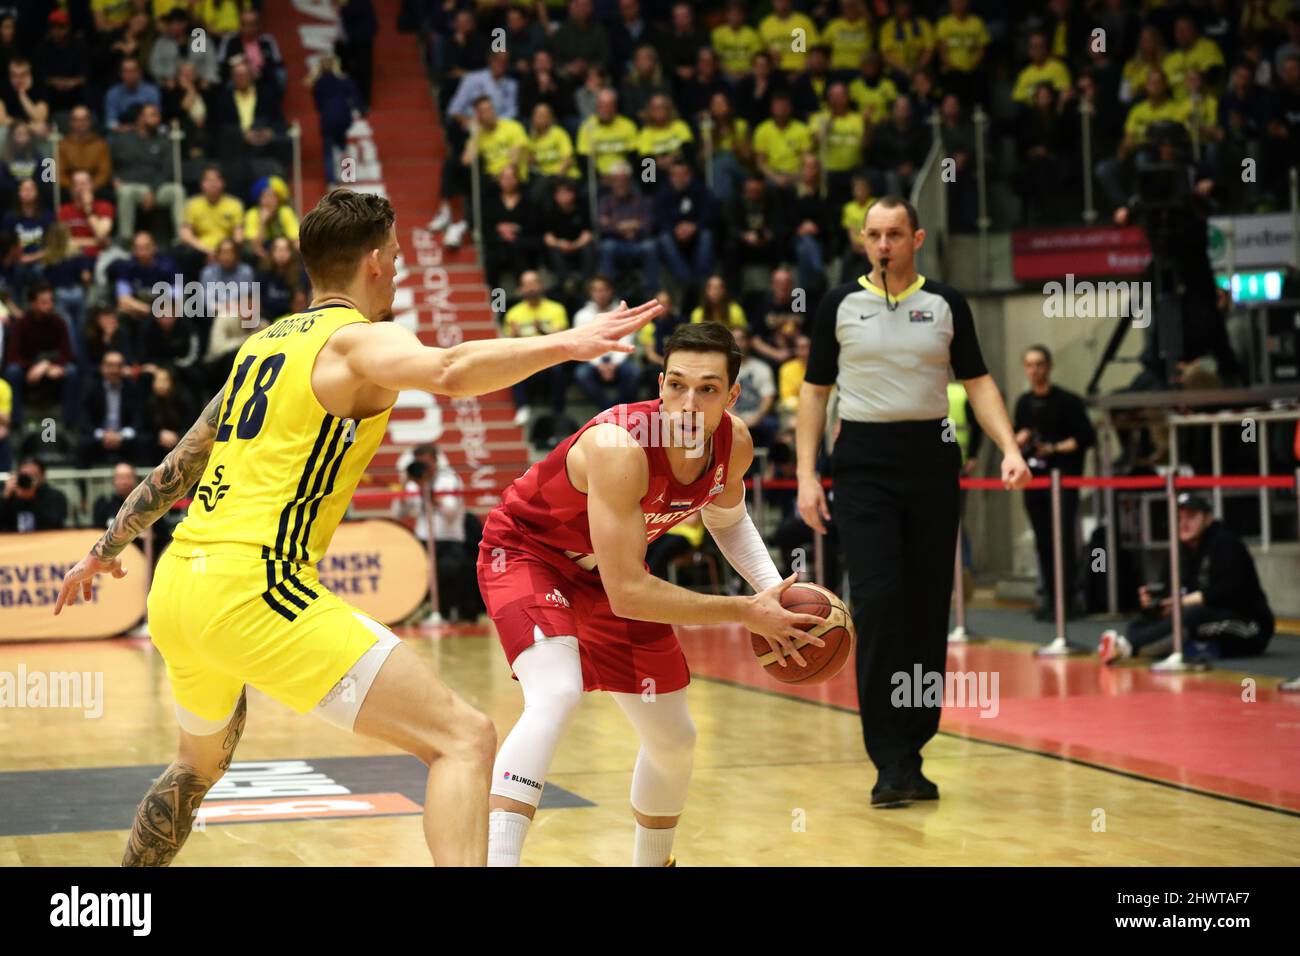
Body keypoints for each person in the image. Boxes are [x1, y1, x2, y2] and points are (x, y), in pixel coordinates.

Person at [52, 187, 660, 868]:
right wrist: (567, 342)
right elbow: (452, 370)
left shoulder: (263, 345)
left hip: (177, 589)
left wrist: (103, 549)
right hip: (255, 588)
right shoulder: (360, 339)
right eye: (396, 257)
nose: (399, 271)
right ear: (373, 262)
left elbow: (181, 463)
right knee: (464, 738)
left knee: (194, 770)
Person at [478, 321, 825, 867]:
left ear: (732, 396)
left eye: (708, 389)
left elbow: (728, 521)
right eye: (677, 385)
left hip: (612, 575)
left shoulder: (734, 442)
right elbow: (630, 595)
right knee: (557, 692)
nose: (688, 402)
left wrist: (772, 593)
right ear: (660, 383)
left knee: (674, 738)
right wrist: (744, 611)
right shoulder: (619, 447)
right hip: (530, 557)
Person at [797, 196, 1030, 808]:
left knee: (928, 610)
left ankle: (915, 749)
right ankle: (886, 758)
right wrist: (804, 475)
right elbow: (814, 393)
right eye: (873, 234)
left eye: (894, 234)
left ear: (916, 239)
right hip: (863, 467)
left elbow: (978, 381)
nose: (883, 245)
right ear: (862, 240)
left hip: (932, 460)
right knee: (878, 601)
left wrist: (1007, 446)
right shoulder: (838, 305)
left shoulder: (947, 303)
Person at [1099, 494, 1274, 665]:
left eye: (1191, 516)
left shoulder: (1226, 543)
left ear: (1207, 518)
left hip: (1249, 625)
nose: (1183, 523)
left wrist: (1181, 602)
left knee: (1190, 615)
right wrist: (1154, 604)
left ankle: (1126, 646)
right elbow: (1168, 592)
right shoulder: (1178, 550)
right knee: (1144, 621)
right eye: (1179, 517)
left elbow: (1229, 591)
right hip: (1202, 618)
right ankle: (1134, 645)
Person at [1013, 345, 1095, 620]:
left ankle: (1068, 598)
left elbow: (1085, 438)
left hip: (1062, 479)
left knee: (1063, 539)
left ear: (1049, 367)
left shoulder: (1068, 402)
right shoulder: (1023, 403)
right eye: (1029, 365)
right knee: (1043, 541)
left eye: (1039, 364)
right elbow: (1014, 441)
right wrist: (1020, 440)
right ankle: (1049, 595)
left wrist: (1054, 448)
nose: (1034, 370)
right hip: (1034, 481)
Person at [0, 456, 67, 531]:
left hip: (46, 538)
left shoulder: (55, 496)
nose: (28, 479)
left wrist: (32, 498)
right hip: (14, 539)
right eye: (24, 475)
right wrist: (5, 497)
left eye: (33, 476)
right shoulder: (11, 495)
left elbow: (54, 523)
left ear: (43, 477)